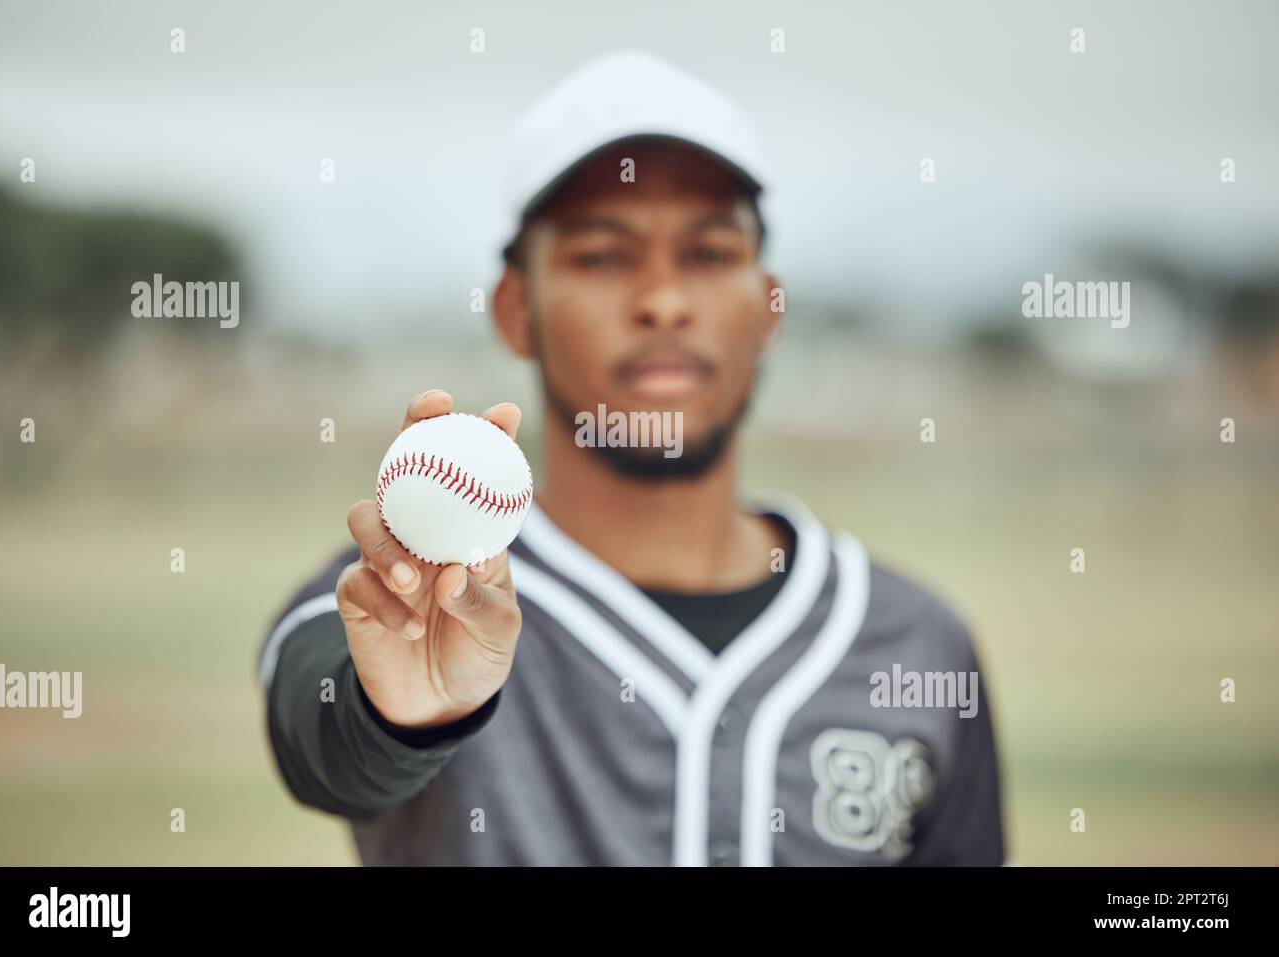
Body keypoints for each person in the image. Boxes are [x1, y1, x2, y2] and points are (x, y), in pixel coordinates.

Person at [258, 49, 1005, 866]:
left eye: (711, 254)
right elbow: (322, 730)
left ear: (768, 307)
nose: (663, 301)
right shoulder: (403, 602)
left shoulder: (915, 641)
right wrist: (401, 718)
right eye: (603, 256)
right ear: (517, 308)